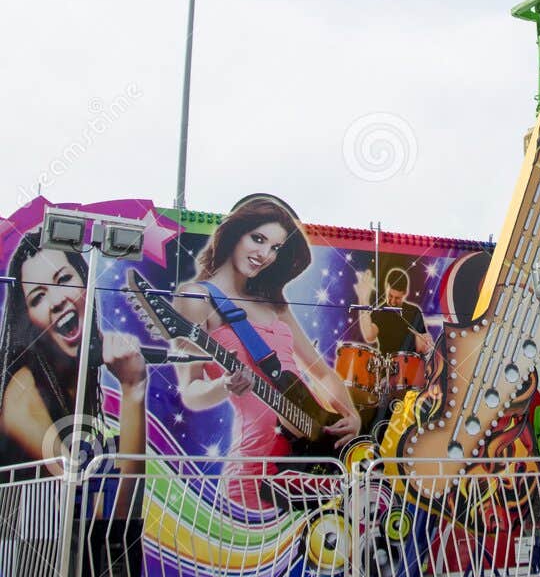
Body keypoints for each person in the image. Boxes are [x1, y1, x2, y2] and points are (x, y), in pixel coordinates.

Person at [173, 195, 360, 505]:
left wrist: (350, 415)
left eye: (275, 248)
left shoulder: (274, 303)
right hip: (253, 475)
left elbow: (322, 373)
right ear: (235, 234)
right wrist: (224, 385)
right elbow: (190, 391)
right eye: (258, 239)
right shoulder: (196, 298)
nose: (265, 254)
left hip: (307, 469)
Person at [0, 229, 147, 471]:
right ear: (29, 321)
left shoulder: (74, 371)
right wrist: (133, 389)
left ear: (85, 283)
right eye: (38, 298)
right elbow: (97, 497)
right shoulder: (23, 397)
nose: (57, 301)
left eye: (63, 280)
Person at [358, 269, 431, 360]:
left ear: (405, 293)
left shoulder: (414, 311)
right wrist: (363, 300)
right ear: (386, 287)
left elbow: (422, 347)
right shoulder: (380, 312)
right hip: (387, 365)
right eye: (390, 296)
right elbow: (369, 336)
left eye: (397, 298)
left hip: (411, 365)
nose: (392, 301)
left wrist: (425, 344)